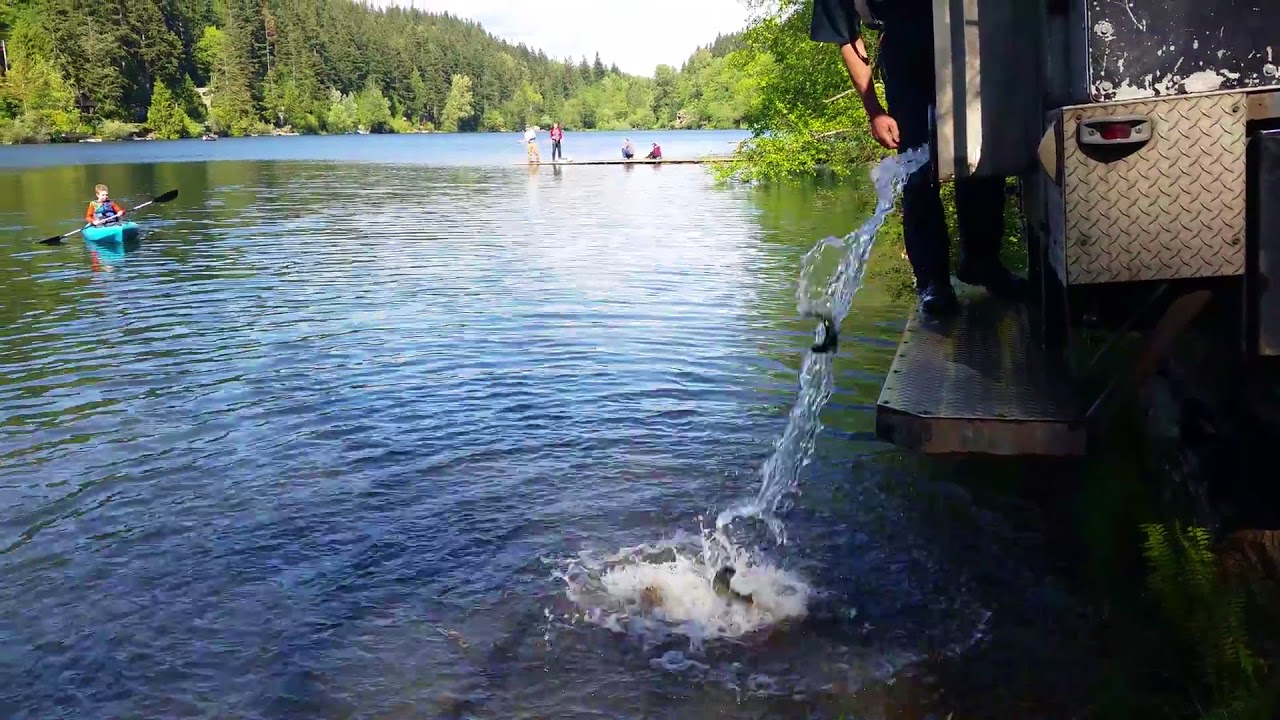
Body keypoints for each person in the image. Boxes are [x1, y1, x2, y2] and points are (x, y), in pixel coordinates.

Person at [810, 0, 1026, 316]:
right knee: (918, 172)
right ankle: (932, 281)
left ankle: (983, 263)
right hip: (905, 54)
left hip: (968, 41)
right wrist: (874, 111)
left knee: (980, 159)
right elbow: (846, 36)